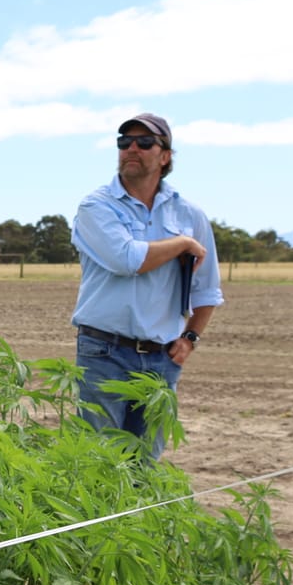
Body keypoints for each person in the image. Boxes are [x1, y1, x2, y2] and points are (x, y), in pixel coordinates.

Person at [70, 113, 222, 458]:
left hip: (161, 358)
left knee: (145, 465)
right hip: (103, 352)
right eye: (124, 142)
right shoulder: (96, 206)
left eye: (144, 142)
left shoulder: (190, 214)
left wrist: (190, 339)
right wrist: (182, 243)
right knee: (98, 460)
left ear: (165, 156)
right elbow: (127, 260)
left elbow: (207, 289)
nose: (132, 148)